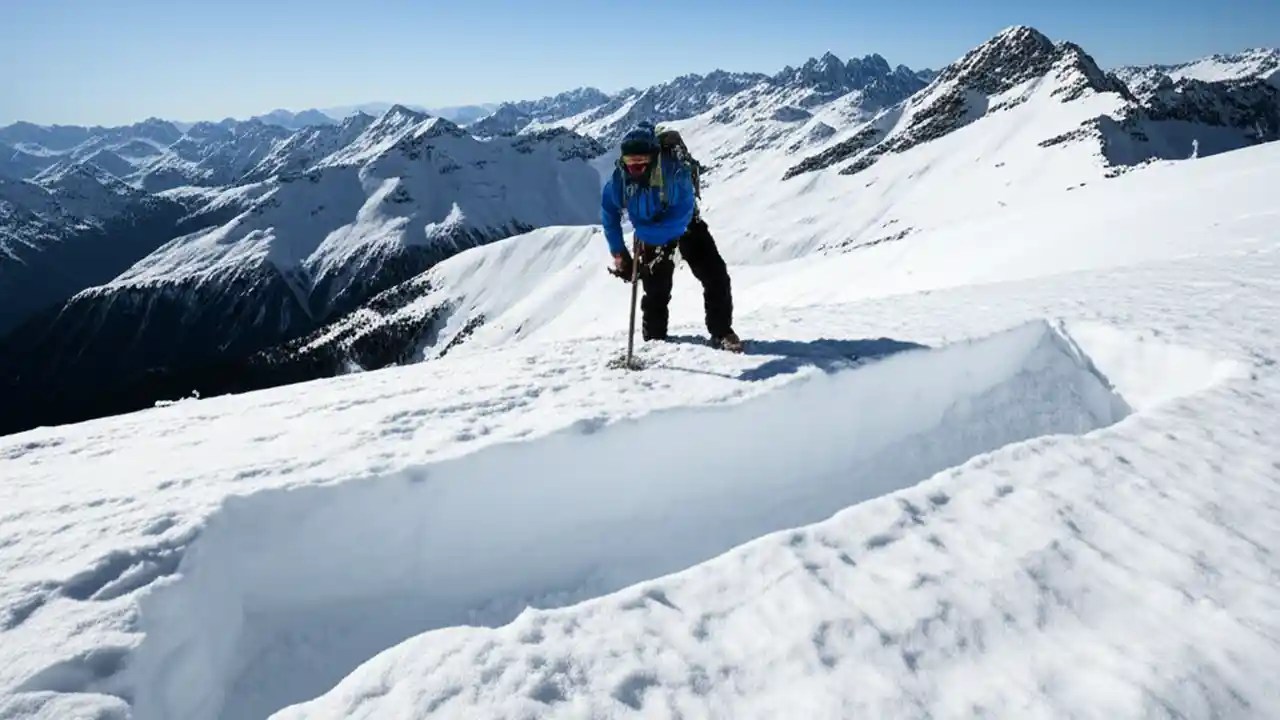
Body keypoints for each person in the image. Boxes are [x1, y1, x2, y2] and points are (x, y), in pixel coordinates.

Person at [600, 121, 742, 352]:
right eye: (630, 162)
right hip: (653, 232)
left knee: (715, 276)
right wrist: (619, 252)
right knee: (657, 290)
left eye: (641, 162)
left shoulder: (674, 171)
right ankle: (655, 341)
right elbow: (609, 212)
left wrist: (644, 235)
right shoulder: (620, 179)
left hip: (686, 226)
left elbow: (681, 215)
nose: (635, 168)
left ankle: (721, 331)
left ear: (654, 157)